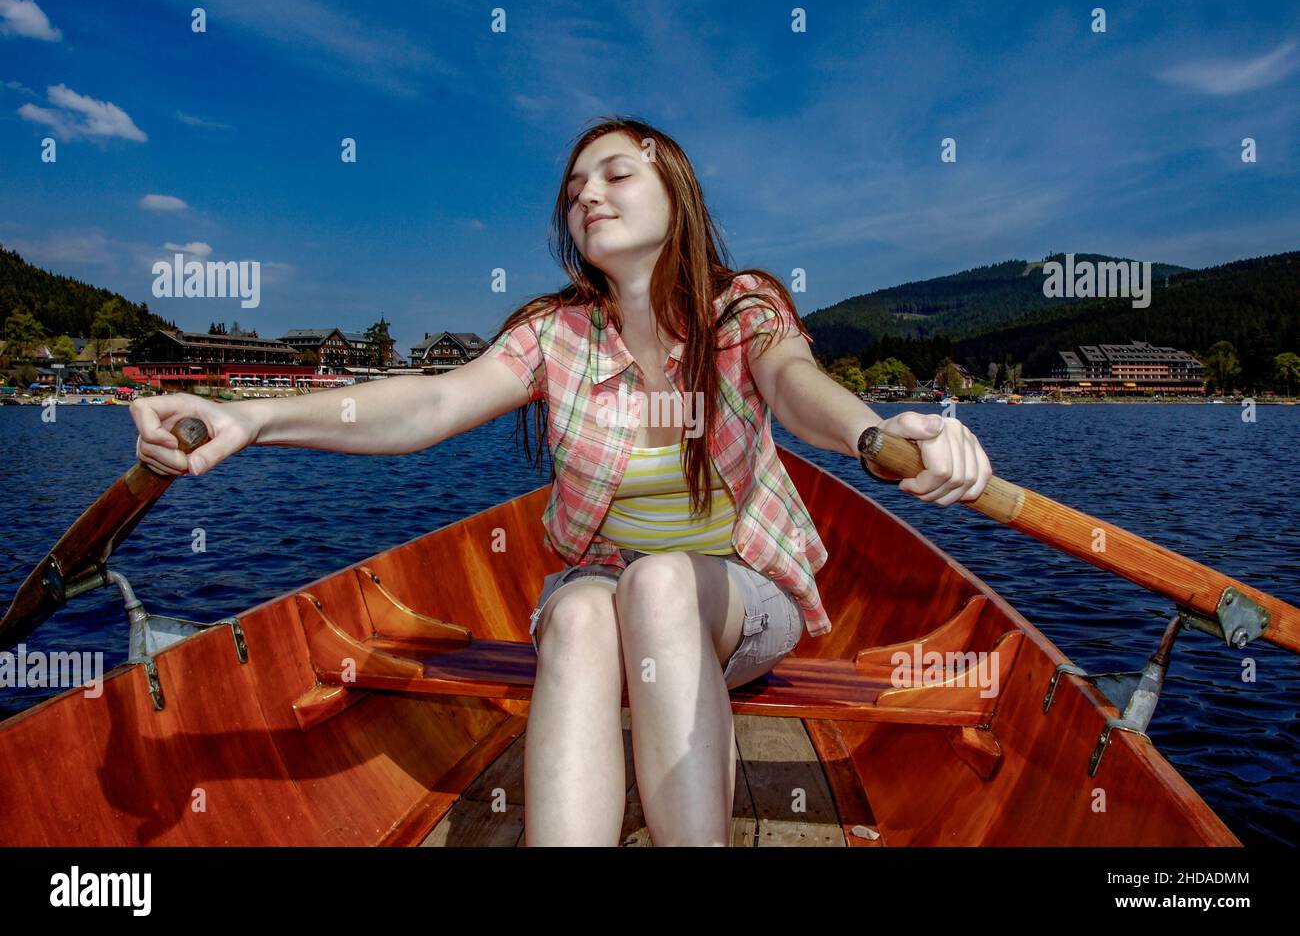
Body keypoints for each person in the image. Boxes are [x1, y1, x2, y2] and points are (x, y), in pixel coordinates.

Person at [129, 116, 993, 847]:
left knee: (657, 582)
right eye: (575, 187)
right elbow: (429, 404)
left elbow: (799, 392)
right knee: (581, 608)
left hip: (736, 605)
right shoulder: (556, 334)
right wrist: (255, 419)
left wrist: (875, 433)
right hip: (606, 596)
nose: (587, 195)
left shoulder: (745, 309)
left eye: (616, 174)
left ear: (677, 196)